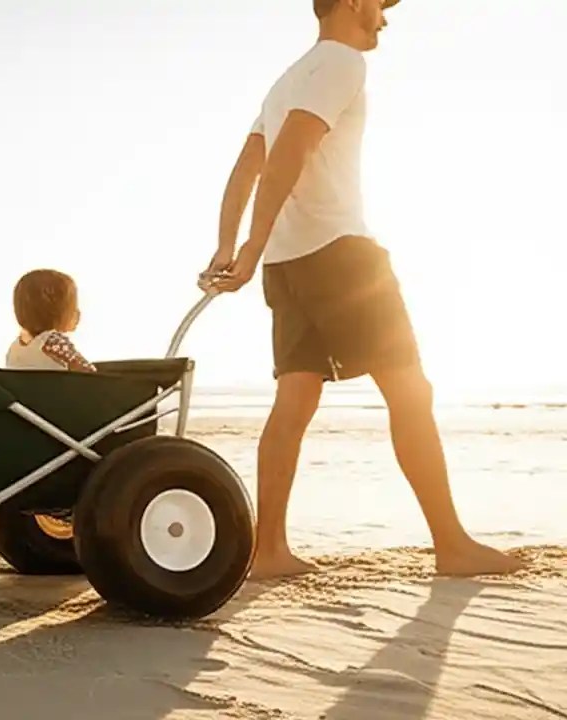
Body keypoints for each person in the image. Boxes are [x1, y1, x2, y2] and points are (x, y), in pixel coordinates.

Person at [207, 0, 521, 579]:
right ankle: (451, 545)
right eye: (380, 3)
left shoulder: (287, 79)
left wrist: (231, 246)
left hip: (288, 264)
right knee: (410, 391)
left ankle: (268, 551)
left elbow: (246, 167)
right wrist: (247, 249)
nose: (385, 16)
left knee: (294, 401)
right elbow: (290, 154)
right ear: (353, 2)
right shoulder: (341, 63)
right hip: (340, 255)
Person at [5, 269, 96, 372]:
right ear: (56, 311)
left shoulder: (15, 348)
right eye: (72, 306)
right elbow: (88, 373)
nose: (77, 312)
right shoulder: (54, 342)